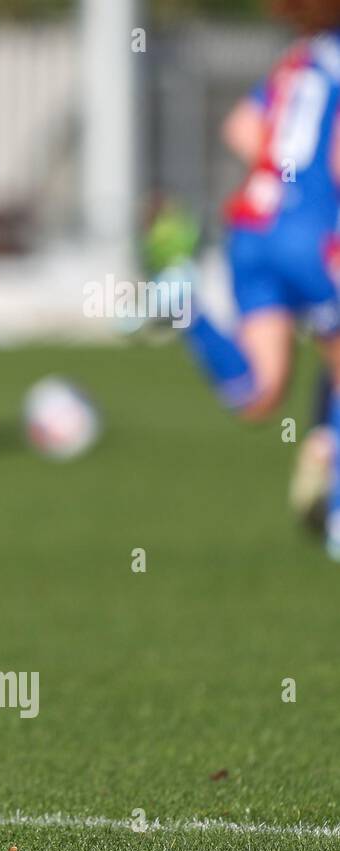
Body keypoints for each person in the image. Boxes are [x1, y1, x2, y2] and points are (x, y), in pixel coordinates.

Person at [165, 0, 340, 553]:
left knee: (259, 396)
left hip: (252, 227)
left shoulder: (299, 61)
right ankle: (336, 511)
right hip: (311, 234)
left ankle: (183, 302)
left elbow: (241, 130)